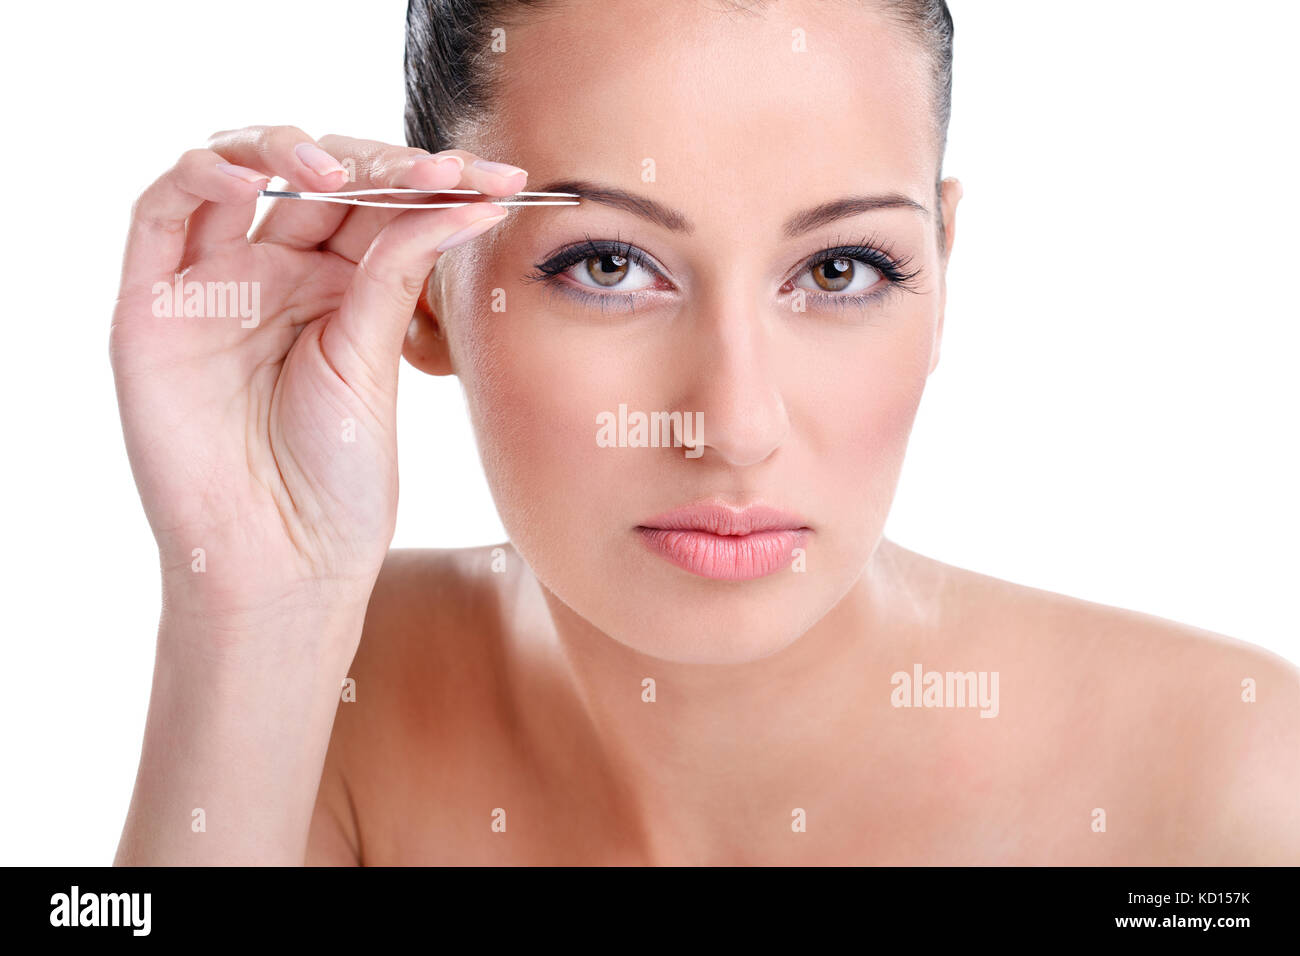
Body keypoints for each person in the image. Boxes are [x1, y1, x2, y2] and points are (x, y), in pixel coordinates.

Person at [111, 0, 1299, 865]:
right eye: (610, 264)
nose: (733, 426)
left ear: (942, 262)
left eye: (841, 267)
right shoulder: (325, 698)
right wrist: (252, 610)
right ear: (422, 279)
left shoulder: (1231, 779)